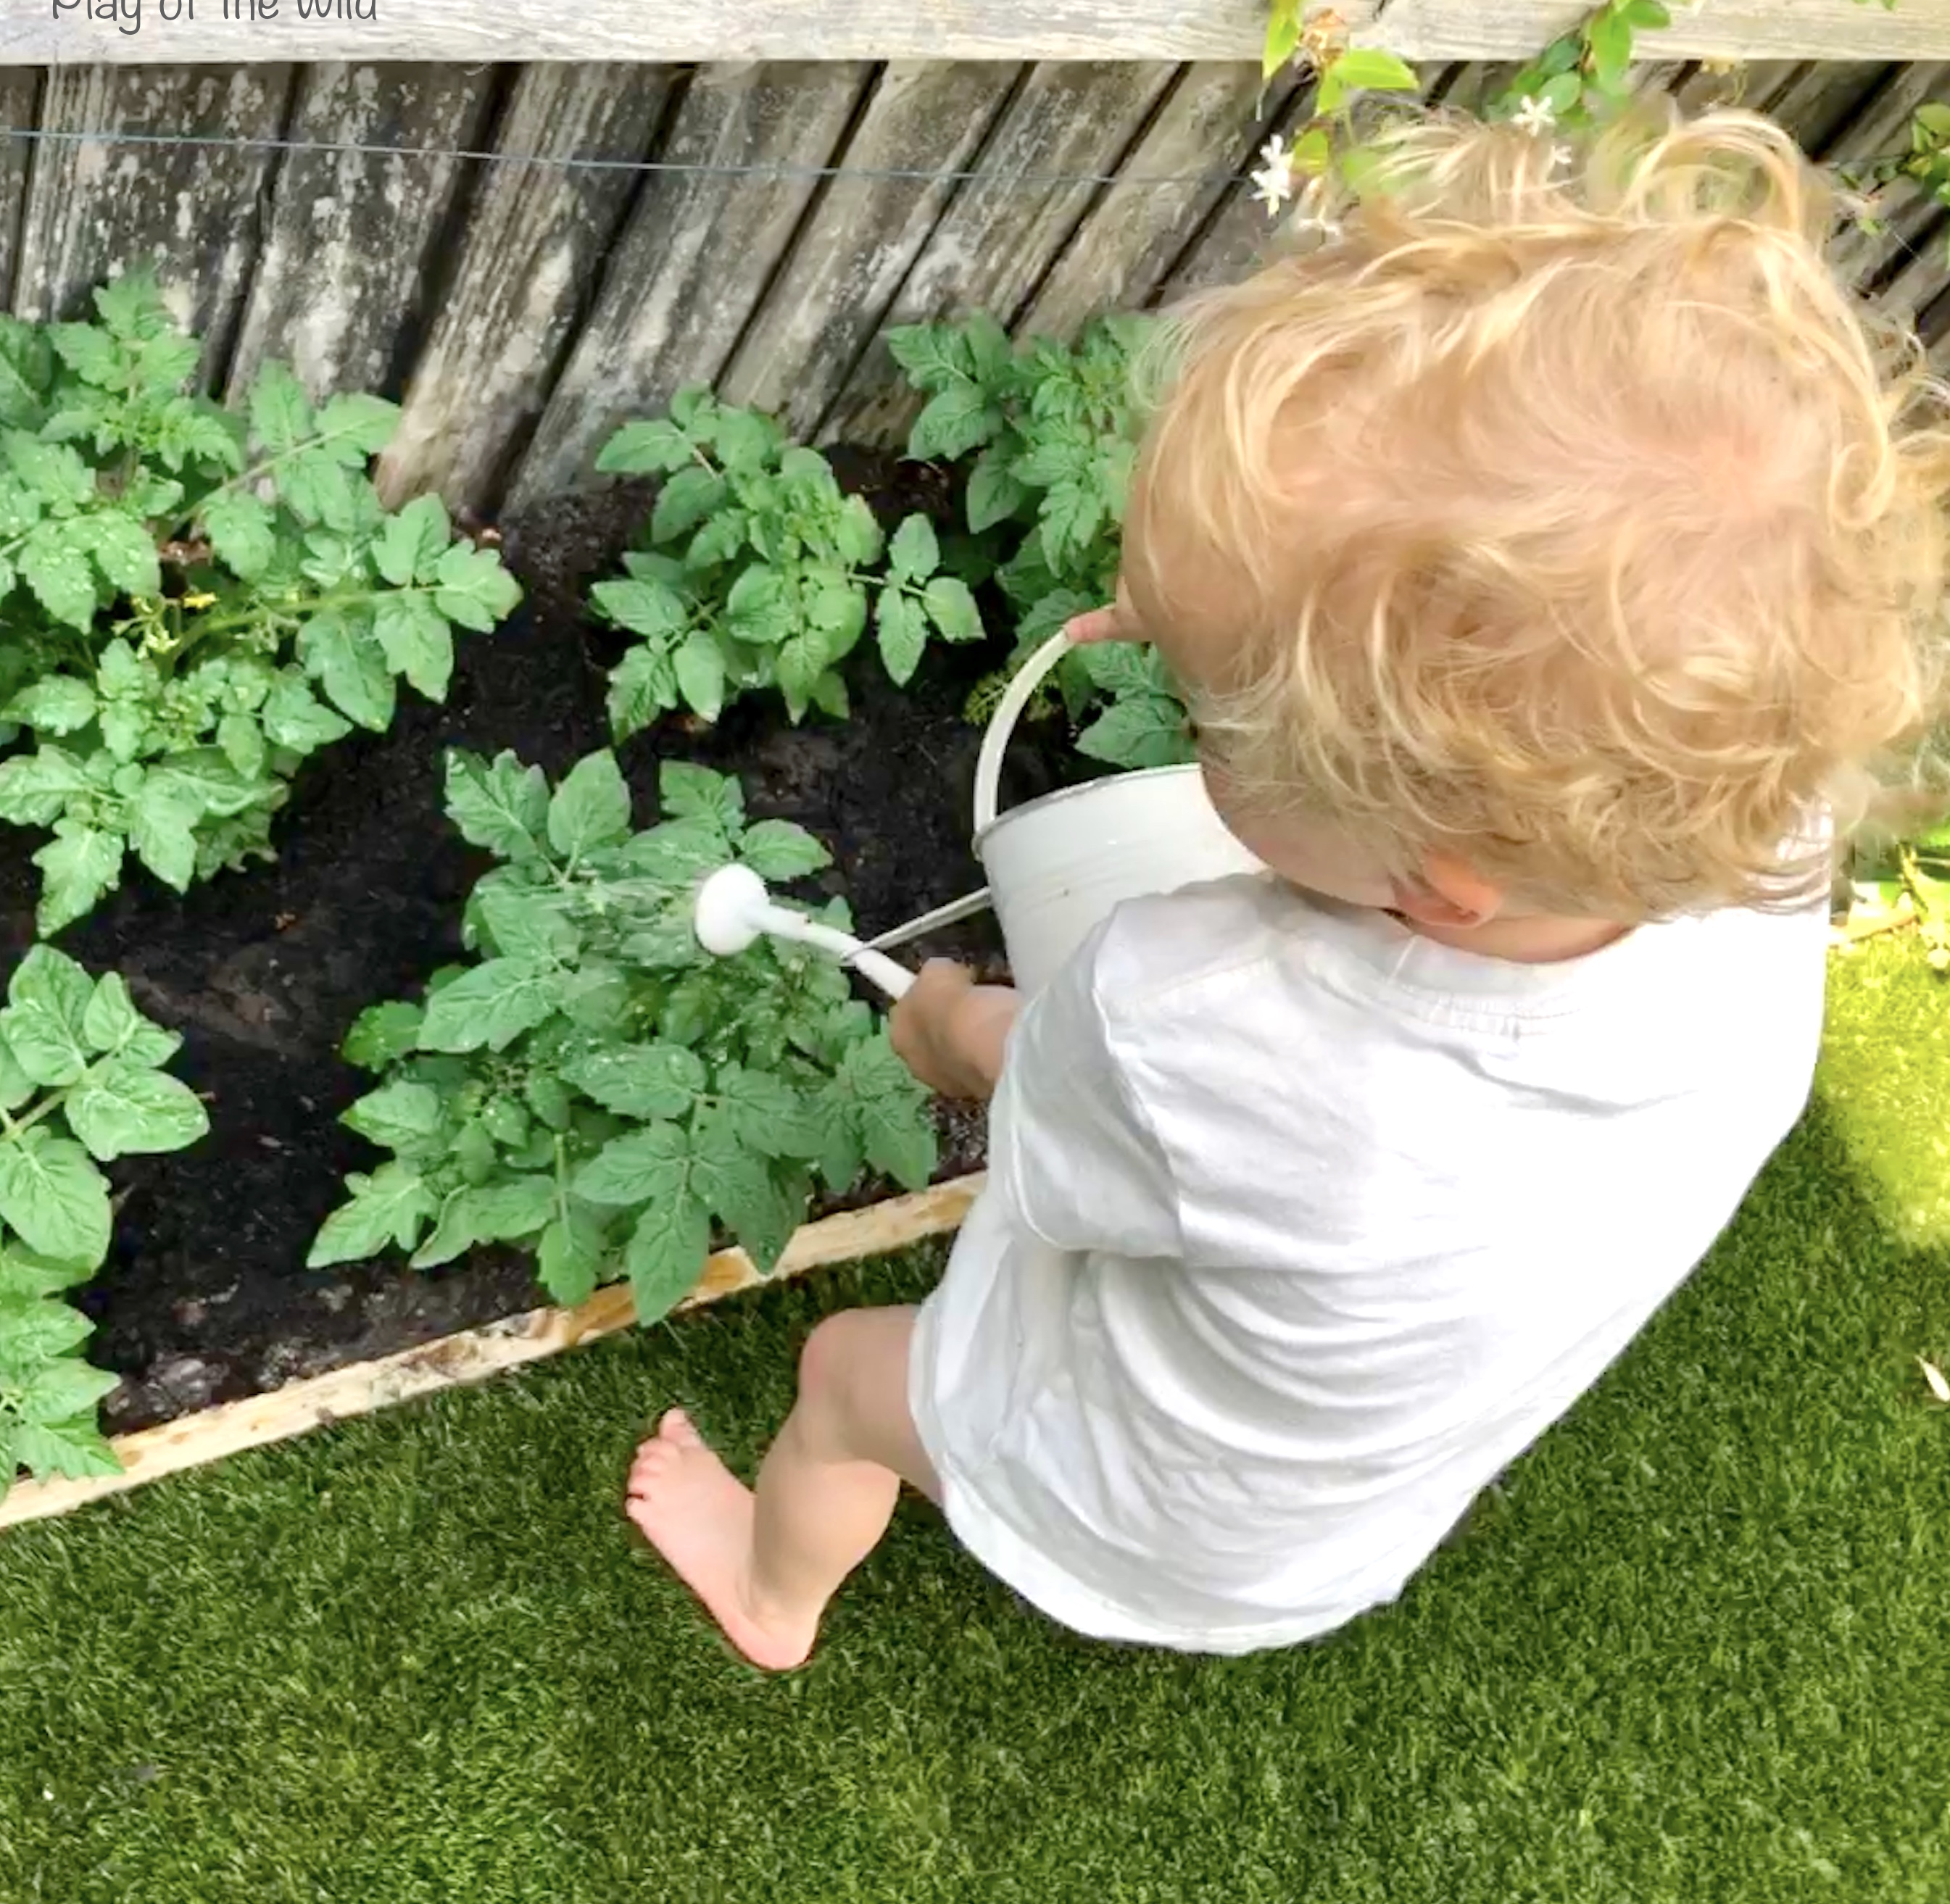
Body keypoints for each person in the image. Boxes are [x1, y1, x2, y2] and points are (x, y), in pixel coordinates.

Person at [624, 106, 1950, 1668]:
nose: (1167, 686)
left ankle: (769, 1598)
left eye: (1208, 714)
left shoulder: (1195, 1017)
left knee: (851, 1372)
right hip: (1352, 1504)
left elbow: (1036, 1113)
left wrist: (946, 1030)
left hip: (1152, 1498)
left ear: (1436, 884)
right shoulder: (1757, 860)